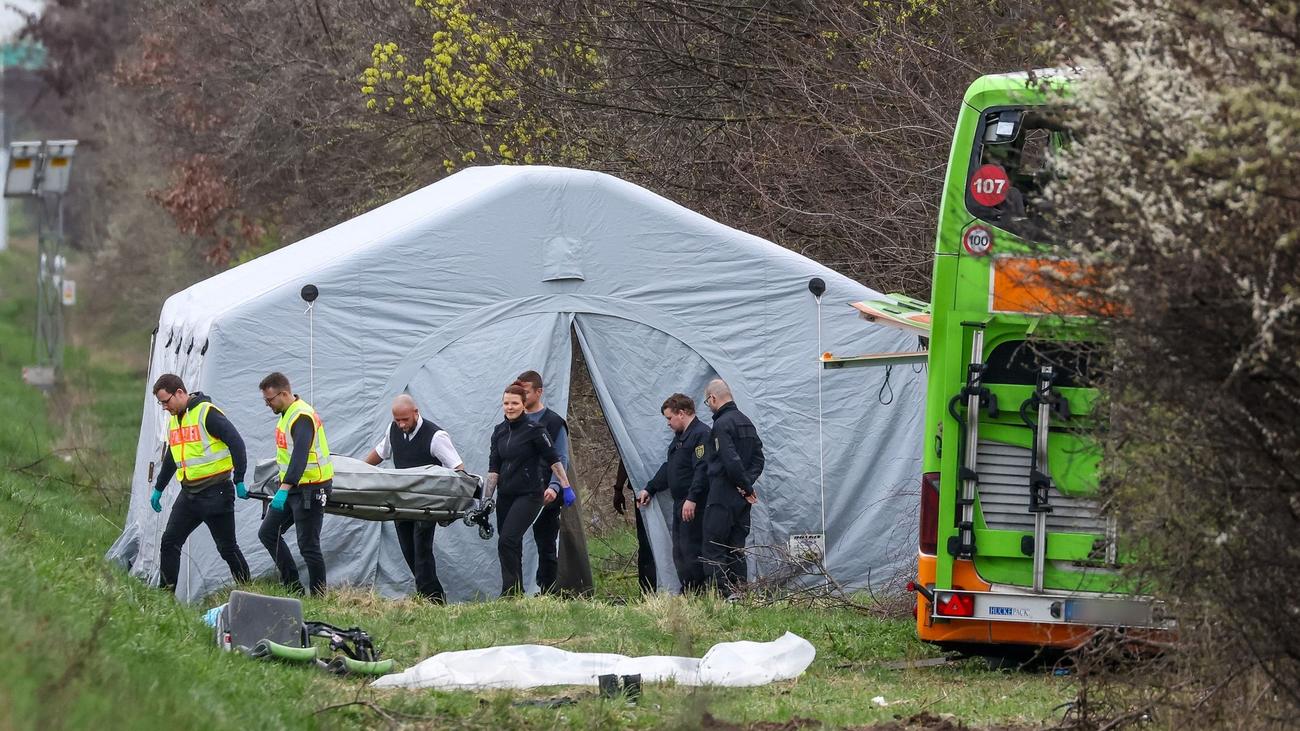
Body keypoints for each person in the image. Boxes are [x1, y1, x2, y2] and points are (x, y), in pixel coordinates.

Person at [150, 373, 251, 591]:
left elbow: (237, 443)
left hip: (216, 493)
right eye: (161, 404)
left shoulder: (207, 413)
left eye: (166, 401)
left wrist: (239, 479)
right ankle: (164, 597)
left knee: (227, 548)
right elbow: (172, 456)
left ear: (179, 393)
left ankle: (249, 591)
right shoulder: (175, 420)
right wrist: (159, 487)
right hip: (189, 495)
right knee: (169, 542)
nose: (165, 407)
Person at [364, 394, 464, 603]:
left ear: (416, 413)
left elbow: (458, 468)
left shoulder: (436, 436)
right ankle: (431, 597)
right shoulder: (393, 430)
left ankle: (432, 600)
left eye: (405, 420)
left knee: (422, 551)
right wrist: (359, 470)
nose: (401, 424)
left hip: (427, 504)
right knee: (409, 551)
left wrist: (452, 500)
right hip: (402, 502)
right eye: (397, 420)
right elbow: (380, 453)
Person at [484, 381, 574, 596]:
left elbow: (555, 459)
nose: (510, 407)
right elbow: (494, 468)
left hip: (530, 494)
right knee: (509, 543)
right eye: (506, 403)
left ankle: (510, 592)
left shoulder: (535, 430)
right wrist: (486, 498)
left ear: (523, 405)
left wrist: (565, 486)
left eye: (514, 403)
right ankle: (516, 592)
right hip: (506, 494)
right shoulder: (499, 431)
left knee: (508, 540)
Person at [684, 379, 764, 599]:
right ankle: (741, 593)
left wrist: (744, 485)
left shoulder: (721, 424)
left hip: (722, 494)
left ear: (712, 398)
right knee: (736, 548)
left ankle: (721, 595)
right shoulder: (746, 422)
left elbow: (730, 459)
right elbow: (759, 459)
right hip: (741, 499)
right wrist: (747, 486)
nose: (708, 406)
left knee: (714, 546)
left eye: (707, 402)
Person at [256, 372, 334, 596]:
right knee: (268, 533)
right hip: (293, 488)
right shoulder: (286, 414)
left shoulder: (302, 417)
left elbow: (300, 456)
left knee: (308, 545)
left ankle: (319, 597)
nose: (267, 405)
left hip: (312, 487)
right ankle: (293, 586)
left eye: (269, 400)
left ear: (283, 394)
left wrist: (283, 489)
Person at [637, 393, 710, 593]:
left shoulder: (701, 434)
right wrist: (650, 488)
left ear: (682, 413)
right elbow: (671, 468)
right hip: (680, 502)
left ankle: (699, 591)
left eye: (670, 418)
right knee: (680, 549)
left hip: (694, 504)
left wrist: (692, 498)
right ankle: (688, 589)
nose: (668, 423)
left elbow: (702, 469)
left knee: (692, 548)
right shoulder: (679, 438)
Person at [515, 370, 576, 594]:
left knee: (546, 543)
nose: (522, 396)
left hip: (545, 492)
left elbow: (560, 458)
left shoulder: (554, 422)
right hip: (519, 491)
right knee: (511, 541)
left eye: (526, 392)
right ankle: (514, 589)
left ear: (538, 392)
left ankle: (547, 591)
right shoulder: (515, 420)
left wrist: (555, 486)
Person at [613, 460, 657, 594]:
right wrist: (618, 488)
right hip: (641, 488)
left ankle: (653, 590)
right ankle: (648, 591)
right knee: (645, 542)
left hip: (658, 486)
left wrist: (618, 488)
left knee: (648, 542)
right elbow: (626, 457)